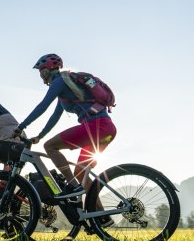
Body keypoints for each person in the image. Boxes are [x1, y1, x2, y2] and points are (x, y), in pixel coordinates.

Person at [13, 54, 117, 200]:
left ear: (45, 71)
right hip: (107, 128)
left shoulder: (59, 82)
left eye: (40, 71)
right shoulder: (67, 84)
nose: (40, 75)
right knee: (81, 175)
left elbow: (43, 106)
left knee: (50, 147)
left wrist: (21, 126)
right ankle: (101, 218)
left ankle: (72, 186)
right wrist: (40, 136)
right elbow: (55, 117)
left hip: (96, 127)